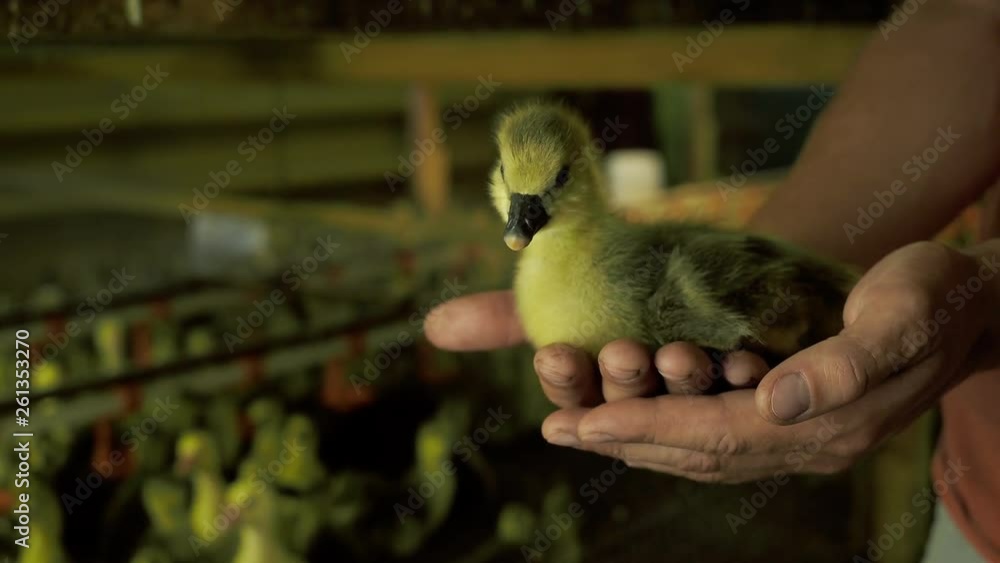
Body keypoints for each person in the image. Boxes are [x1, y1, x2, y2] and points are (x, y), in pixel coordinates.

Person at [424, 0, 1000, 561]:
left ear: (582, 173)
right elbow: (971, 16)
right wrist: (805, 251)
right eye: (515, 189)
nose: (523, 215)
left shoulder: (631, 278)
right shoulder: (606, 262)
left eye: (553, 184)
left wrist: (978, 299)